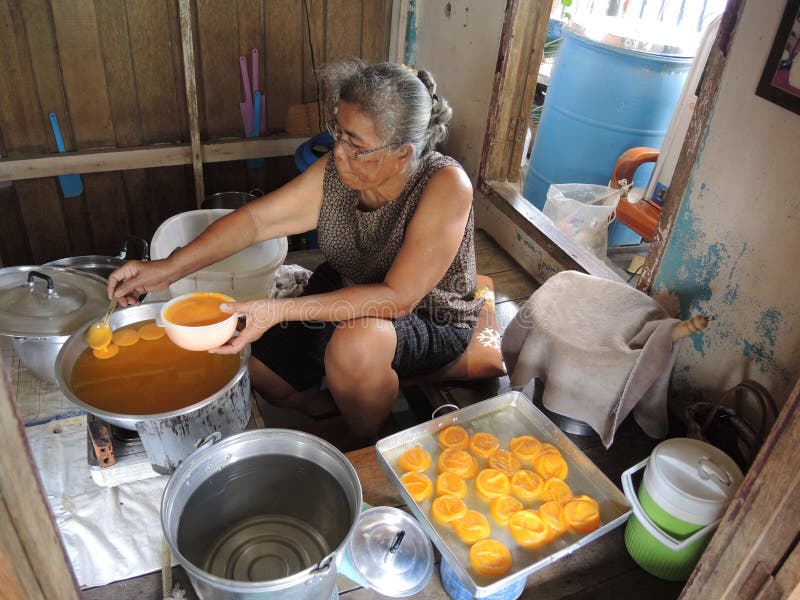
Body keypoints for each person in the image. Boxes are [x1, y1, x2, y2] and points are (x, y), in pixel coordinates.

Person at [108, 61, 482, 447]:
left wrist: (279, 311)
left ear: (402, 155)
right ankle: (325, 407)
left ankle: (364, 443)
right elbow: (254, 223)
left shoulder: (444, 185)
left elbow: (397, 299)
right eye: (338, 131)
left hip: (429, 314)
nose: (338, 152)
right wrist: (167, 269)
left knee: (357, 345)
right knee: (255, 369)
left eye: (356, 145)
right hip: (349, 288)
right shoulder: (336, 174)